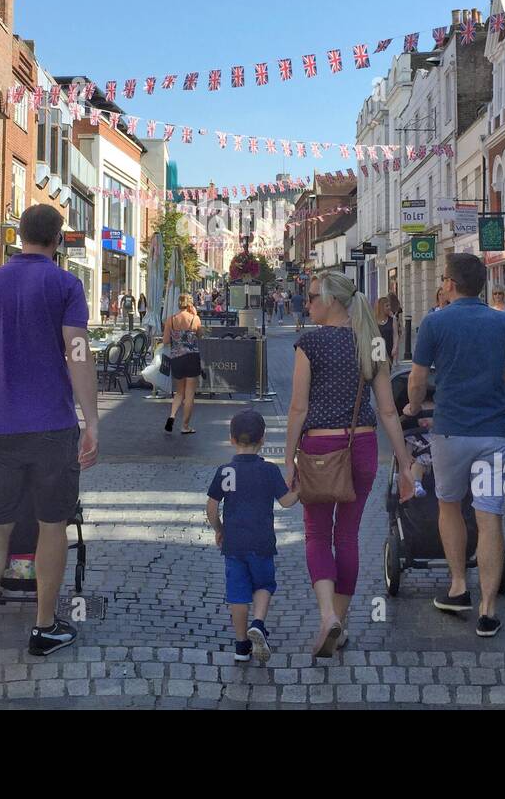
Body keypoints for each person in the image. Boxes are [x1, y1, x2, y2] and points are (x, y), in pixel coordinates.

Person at [0, 204, 100, 685]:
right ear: (58, 240)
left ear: (18, 236)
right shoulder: (65, 286)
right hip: (52, 428)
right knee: (51, 525)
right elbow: (77, 351)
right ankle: (44, 626)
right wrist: (92, 419)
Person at [286, 271, 415, 658]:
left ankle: (327, 616)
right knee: (347, 537)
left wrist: (287, 460)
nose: (306, 304)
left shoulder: (309, 344)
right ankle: (340, 623)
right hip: (361, 447)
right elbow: (389, 410)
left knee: (316, 534)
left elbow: (297, 408)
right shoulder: (372, 342)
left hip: (319, 450)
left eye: (311, 298)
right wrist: (406, 462)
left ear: (332, 301)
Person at [405, 253, 505, 638]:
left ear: (450, 284)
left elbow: (418, 380)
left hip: (450, 431)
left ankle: (458, 587)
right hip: (493, 433)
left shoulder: (435, 322)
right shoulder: (504, 321)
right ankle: (488, 609)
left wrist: (414, 405)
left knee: (449, 506)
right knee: (490, 516)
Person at [205, 409, 299, 664]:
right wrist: (301, 485)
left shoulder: (226, 471)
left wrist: (219, 529)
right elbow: (288, 501)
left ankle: (241, 645)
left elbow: (212, 507)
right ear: (263, 439)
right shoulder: (268, 471)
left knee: (237, 594)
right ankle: (257, 622)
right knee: (264, 585)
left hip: (234, 544)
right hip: (262, 542)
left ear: (231, 439)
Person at [163, 293, 203, 434]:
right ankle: (185, 426)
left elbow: (166, 341)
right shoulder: (195, 319)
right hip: (192, 358)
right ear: (190, 304)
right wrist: (195, 315)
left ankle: (172, 416)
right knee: (190, 393)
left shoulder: (171, 320)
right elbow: (200, 335)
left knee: (179, 392)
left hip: (177, 358)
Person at [375, 297, 397, 365]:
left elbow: (395, 335)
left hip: (389, 350)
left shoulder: (392, 319)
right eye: (387, 306)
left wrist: (395, 347)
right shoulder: (374, 320)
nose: (389, 307)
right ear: (381, 307)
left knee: (388, 370)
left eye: (389, 305)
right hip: (377, 350)